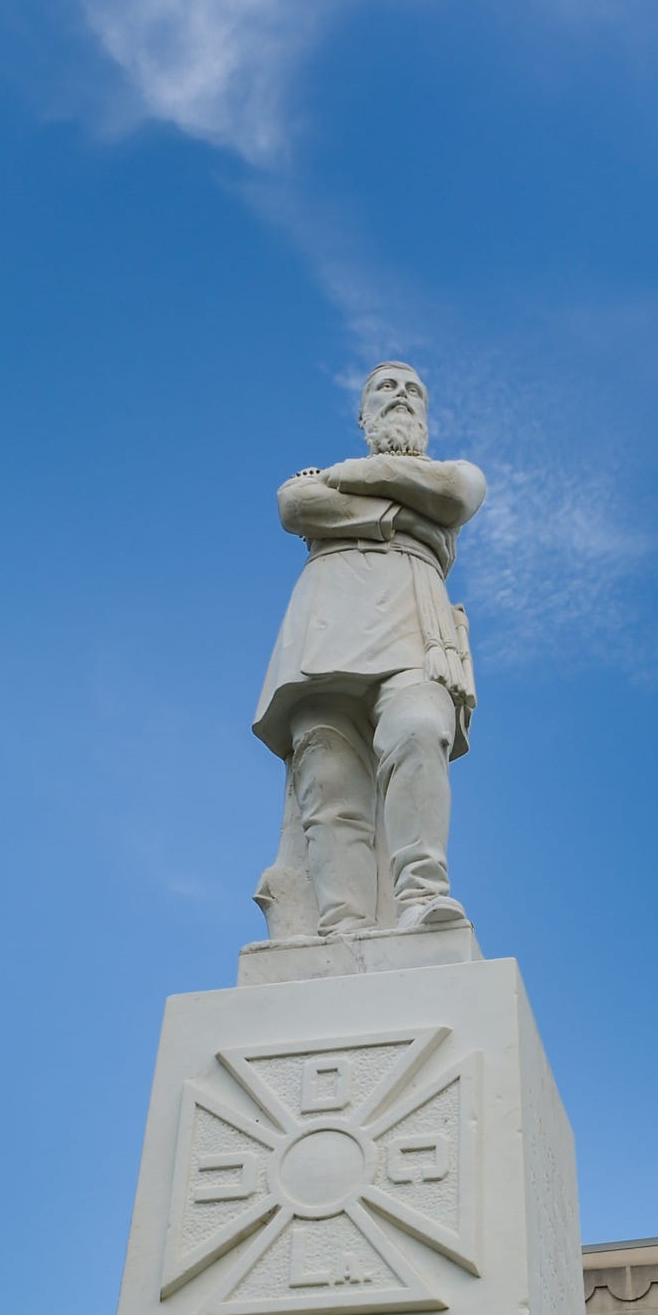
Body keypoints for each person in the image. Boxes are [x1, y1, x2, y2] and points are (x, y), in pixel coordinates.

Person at [252, 362, 489, 938]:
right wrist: (406, 518)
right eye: (387, 387)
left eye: (414, 390)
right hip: (325, 628)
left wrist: (346, 479)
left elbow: (454, 496)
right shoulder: (316, 482)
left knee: (418, 730)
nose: (402, 395)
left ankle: (421, 896)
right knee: (326, 771)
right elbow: (295, 506)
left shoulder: (454, 472)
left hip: (415, 626)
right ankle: (344, 923)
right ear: (364, 414)